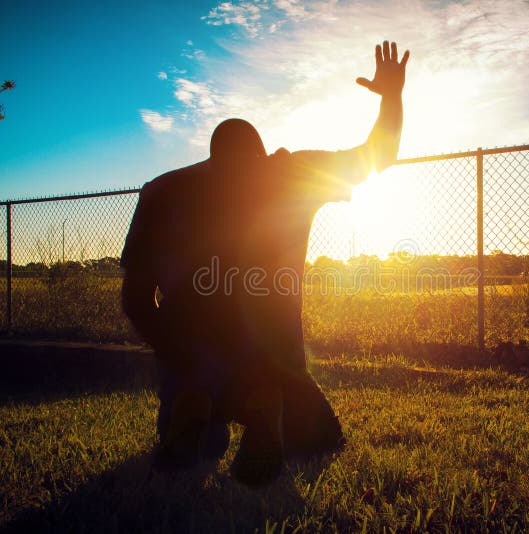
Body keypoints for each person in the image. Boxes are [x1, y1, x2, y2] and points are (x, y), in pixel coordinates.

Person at [121, 40, 409, 485]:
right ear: (261, 150)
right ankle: (261, 397)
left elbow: (136, 298)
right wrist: (391, 97)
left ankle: (196, 400)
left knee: (204, 442)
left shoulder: (162, 189)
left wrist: (175, 353)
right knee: (322, 439)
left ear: (211, 155)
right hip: (273, 356)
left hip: (190, 355)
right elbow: (378, 155)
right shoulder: (289, 172)